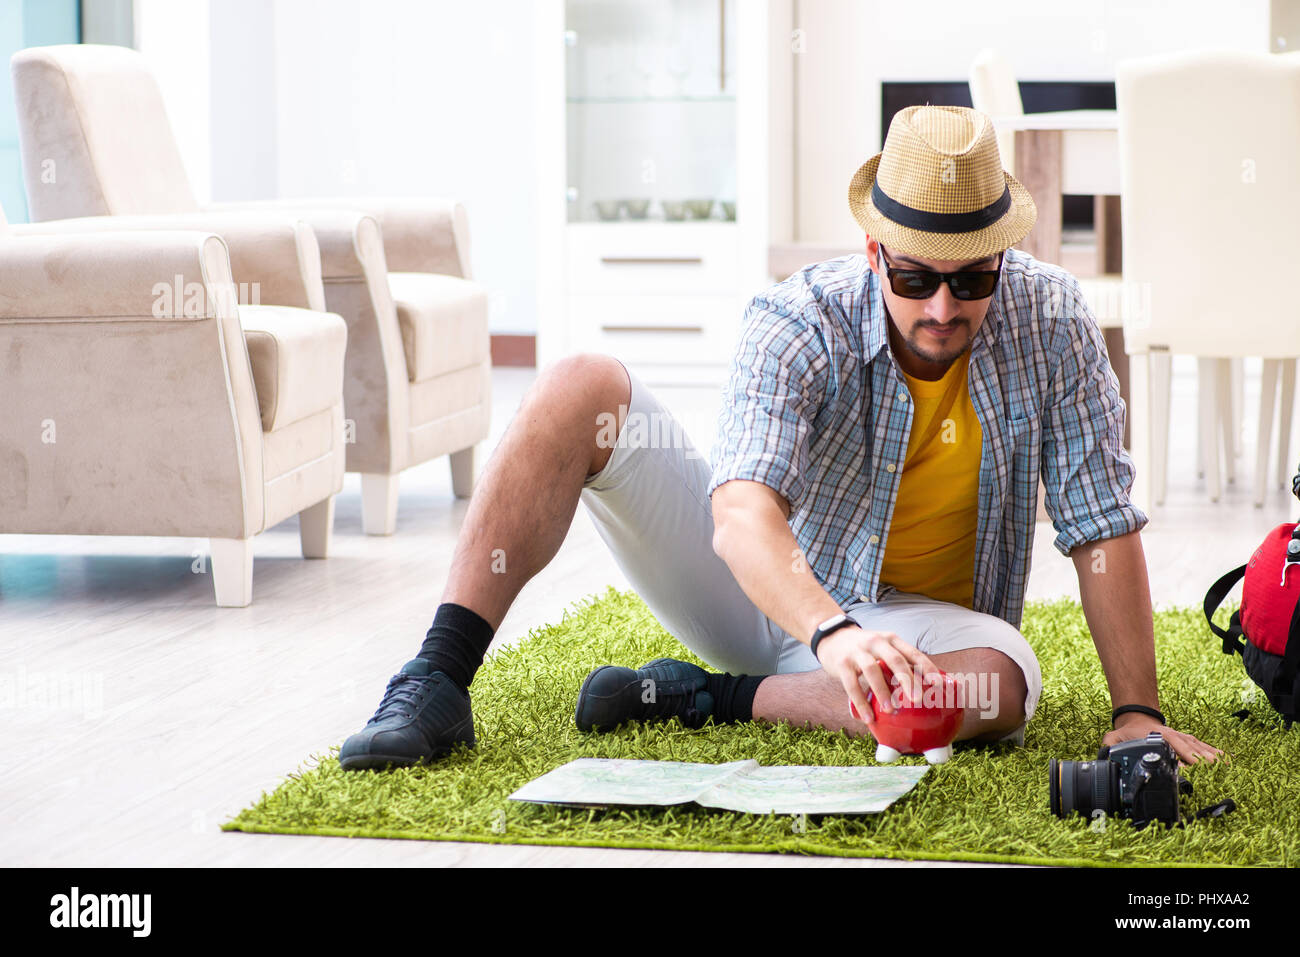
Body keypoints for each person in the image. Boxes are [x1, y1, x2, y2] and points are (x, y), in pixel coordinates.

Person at [339, 104, 1222, 772]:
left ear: (1002, 255)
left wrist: (1137, 711)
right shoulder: (799, 317)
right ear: (874, 251)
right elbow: (741, 513)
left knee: (1002, 680)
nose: (943, 307)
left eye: (970, 278)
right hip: (763, 589)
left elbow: (1101, 523)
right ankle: (435, 678)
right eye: (915, 276)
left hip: (918, 630)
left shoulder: (1052, 320)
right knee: (581, 386)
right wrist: (832, 631)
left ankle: (711, 699)